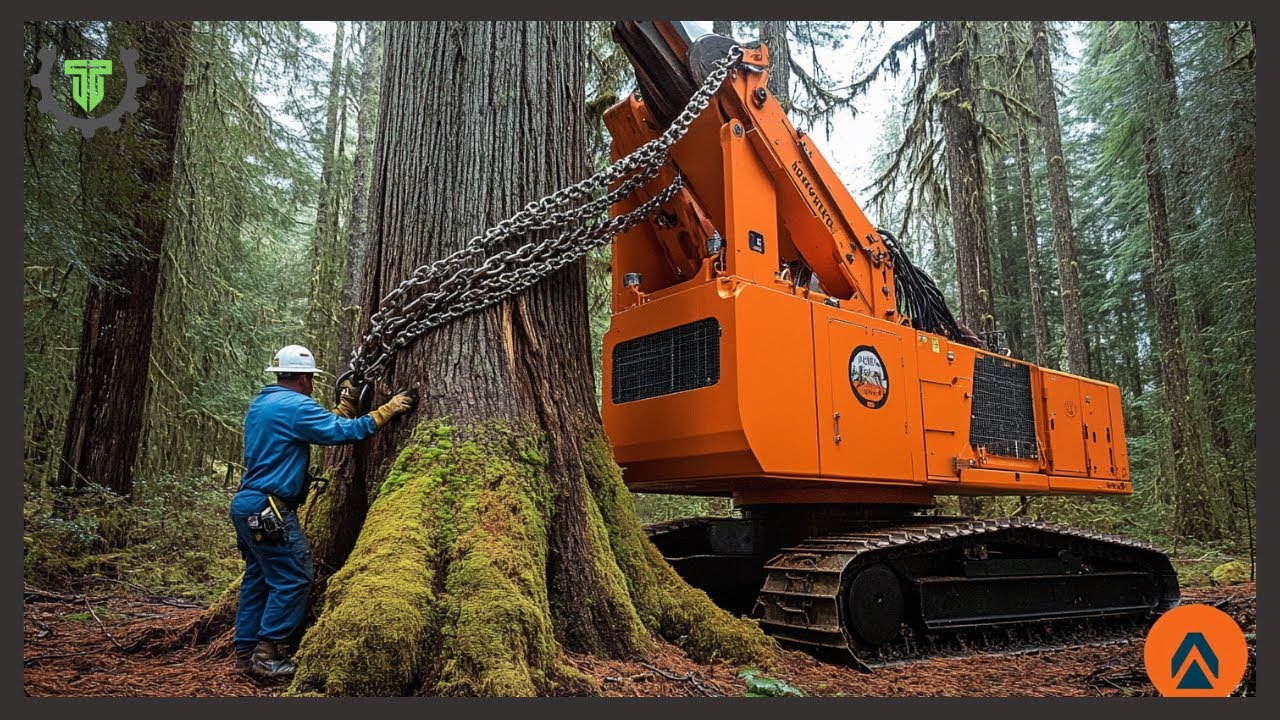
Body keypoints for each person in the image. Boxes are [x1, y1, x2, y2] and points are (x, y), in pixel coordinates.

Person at [230, 344, 417, 682]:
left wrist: (346, 405)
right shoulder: (295, 406)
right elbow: (341, 433)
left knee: (259, 578)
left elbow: (320, 424)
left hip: (247, 505)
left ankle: (245, 653)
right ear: (304, 378)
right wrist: (387, 410)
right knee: (294, 575)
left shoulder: (265, 403)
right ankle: (268, 653)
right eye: (311, 379)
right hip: (269, 507)